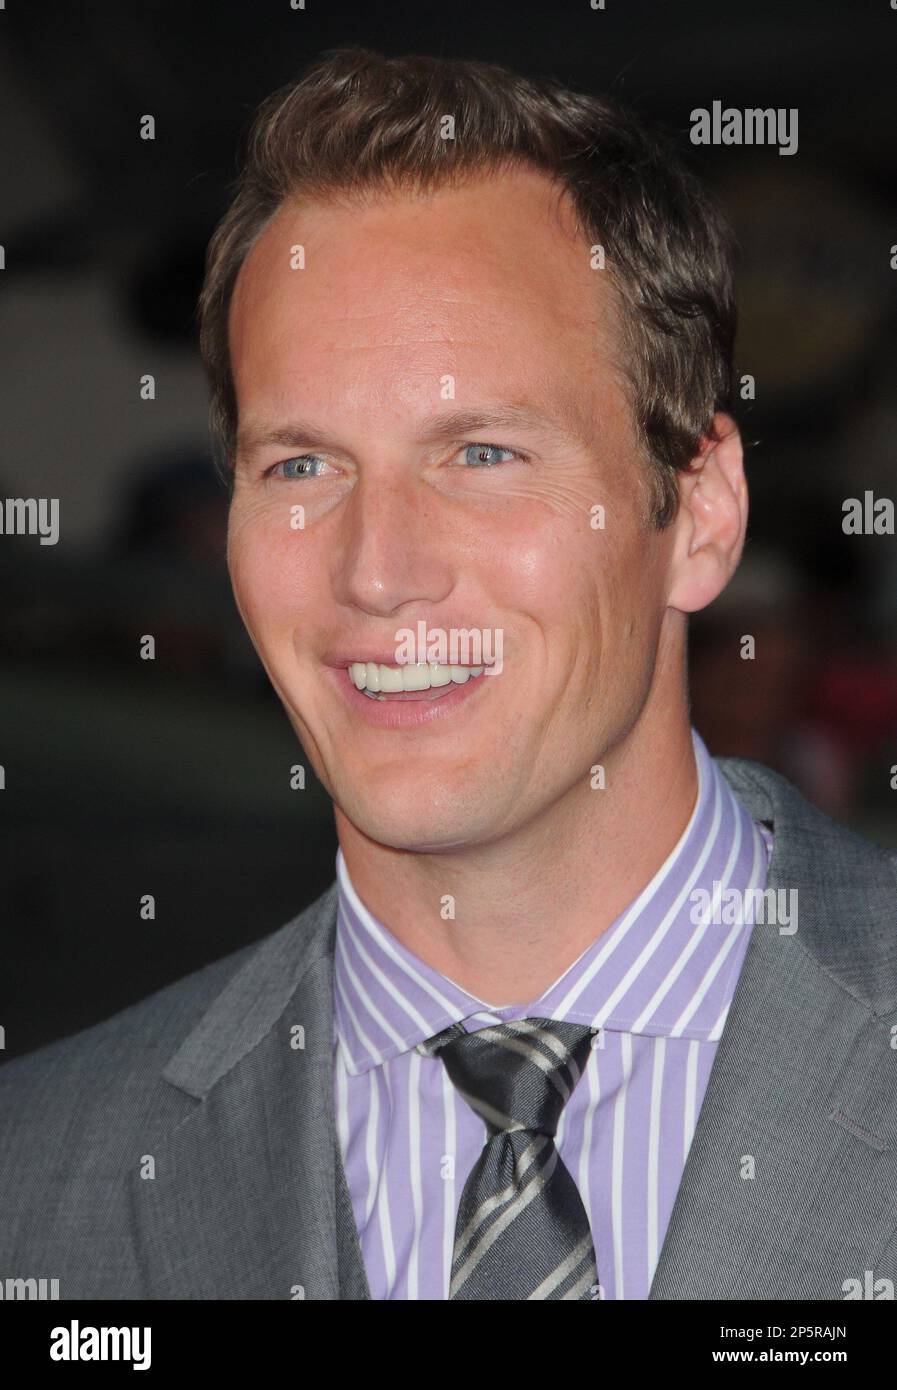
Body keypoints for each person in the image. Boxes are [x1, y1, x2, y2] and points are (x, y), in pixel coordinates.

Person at [2, 46, 895, 1302]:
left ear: (699, 509)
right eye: (301, 466)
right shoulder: (39, 1190)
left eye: (480, 451)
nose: (378, 570)